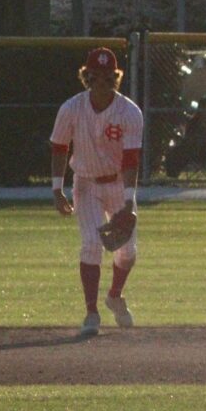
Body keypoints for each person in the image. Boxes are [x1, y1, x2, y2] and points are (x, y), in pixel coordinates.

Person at [50, 47, 144, 337]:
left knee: (127, 252)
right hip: (87, 183)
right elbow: (59, 146)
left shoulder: (129, 112)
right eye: (95, 75)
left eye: (107, 76)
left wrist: (128, 201)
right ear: (86, 76)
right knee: (92, 244)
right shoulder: (71, 108)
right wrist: (57, 189)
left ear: (115, 77)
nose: (101, 81)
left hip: (117, 183)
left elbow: (131, 159)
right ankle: (92, 312)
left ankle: (115, 295)